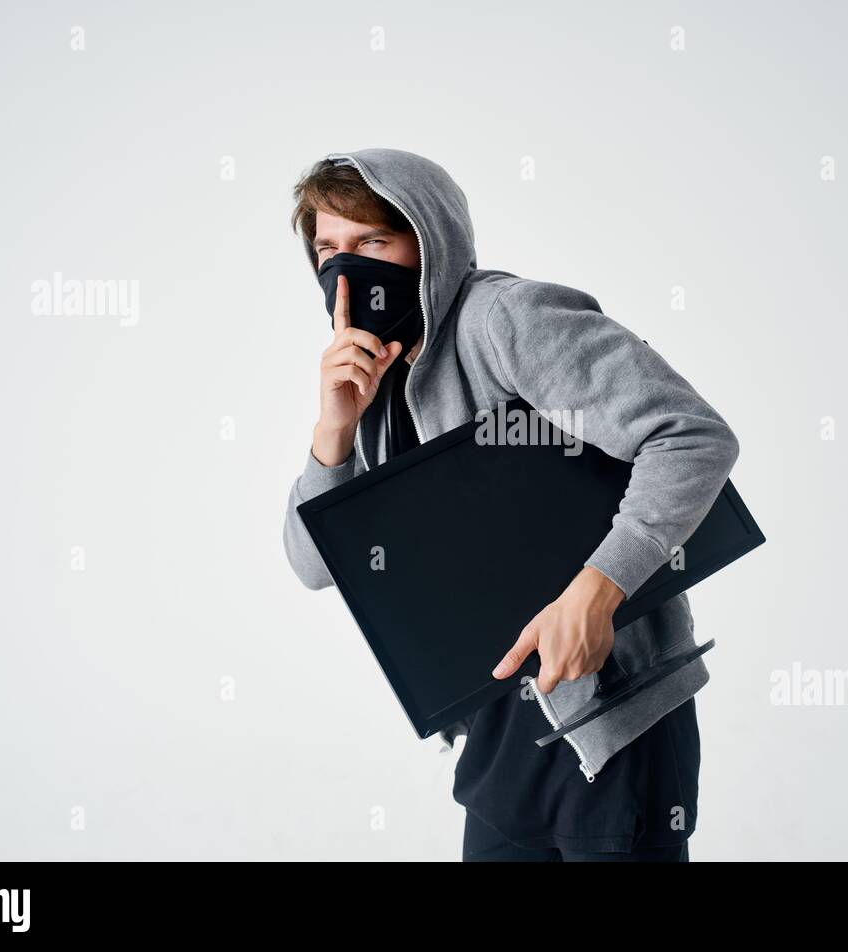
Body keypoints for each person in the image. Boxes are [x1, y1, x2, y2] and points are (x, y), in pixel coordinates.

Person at [282, 149, 739, 862]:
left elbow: (691, 437)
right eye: (329, 250)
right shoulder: (370, 382)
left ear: (428, 239)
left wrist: (599, 590)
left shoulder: (506, 317)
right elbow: (315, 567)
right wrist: (333, 431)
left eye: (373, 242)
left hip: (611, 718)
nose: (348, 268)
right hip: (496, 730)